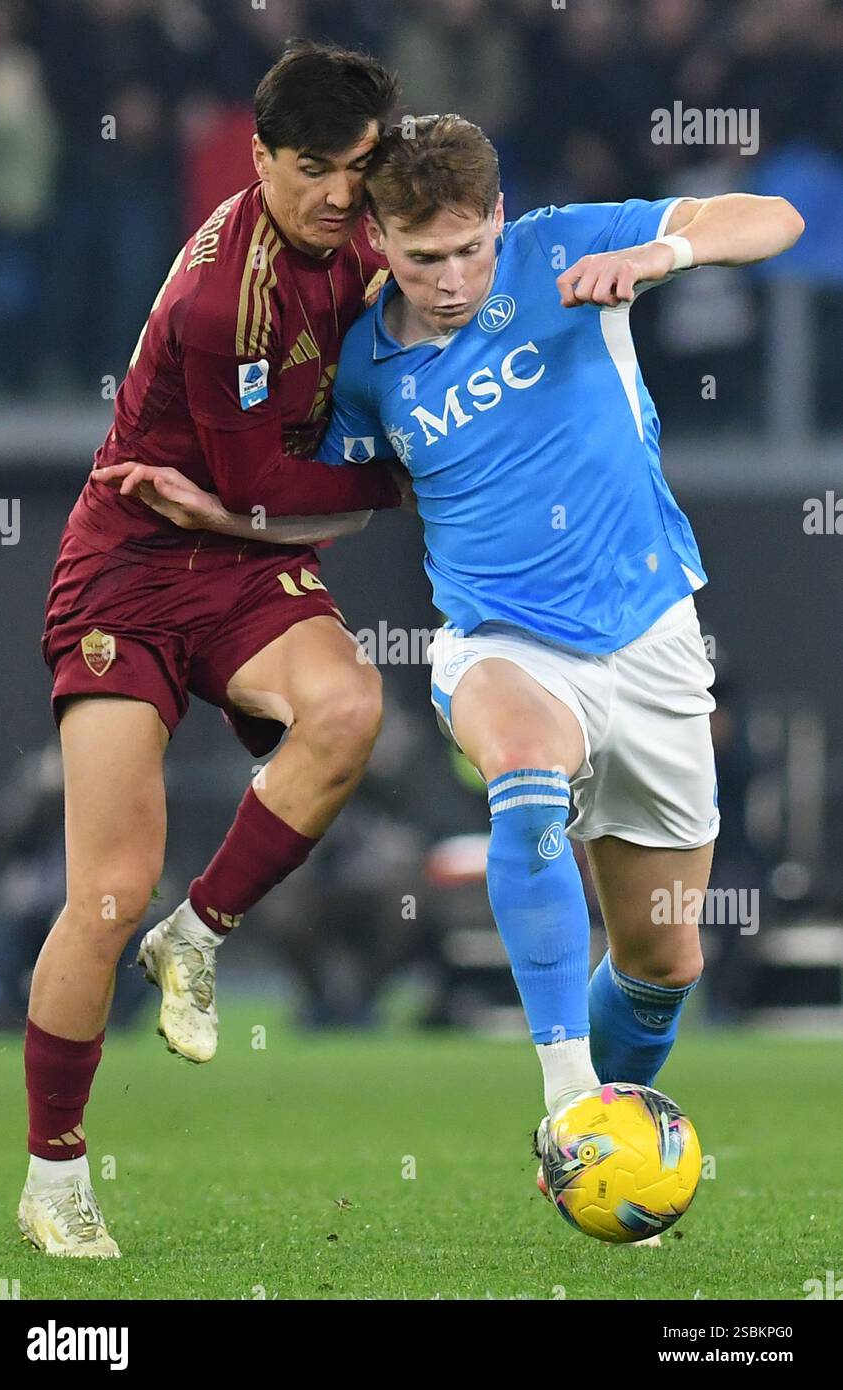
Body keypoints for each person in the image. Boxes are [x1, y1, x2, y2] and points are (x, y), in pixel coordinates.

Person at [110, 114, 803, 1241]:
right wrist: (222, 510)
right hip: (501, 641)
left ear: (495, 218)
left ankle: (593, 1134)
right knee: (523, 770)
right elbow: (333, 494)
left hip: (652, 633)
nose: (448, 278)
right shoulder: (363, 366)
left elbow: (770, 216)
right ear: (376, 240)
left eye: (467, 249)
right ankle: (566, 1104)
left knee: (660, 961)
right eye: (420, 257)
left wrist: (658, 254)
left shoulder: (560, 248)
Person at [21, 40, 406, 1259]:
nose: (339, 193)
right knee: (102, 886)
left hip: (234, 558)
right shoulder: (218, 298)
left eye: (358, 166)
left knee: (347, 707)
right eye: (312, 170)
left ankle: (195, 939)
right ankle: (54, 1174)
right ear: (256, 157)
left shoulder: (372, 228)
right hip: (132, 566)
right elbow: (256, 484)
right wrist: (418, 474)